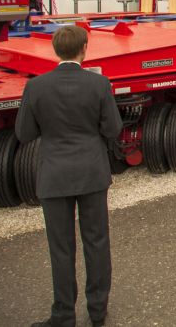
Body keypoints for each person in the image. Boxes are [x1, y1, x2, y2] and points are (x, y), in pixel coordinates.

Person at [15, 25, 123, 327]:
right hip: (92, 173)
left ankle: (63, 315)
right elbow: (113, 129)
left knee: (61, 248)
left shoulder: (36, 87)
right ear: (84, 49)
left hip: (54, 176)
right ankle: (97, 312)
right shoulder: (99, 84)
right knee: (96, 242)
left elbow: (24, 133)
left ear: (55, 50)